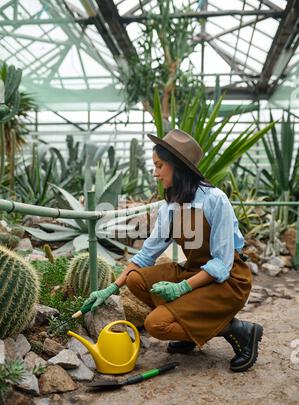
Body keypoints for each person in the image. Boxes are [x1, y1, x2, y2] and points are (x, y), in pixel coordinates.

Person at [83, 129, 263, 373]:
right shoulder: (171, 206)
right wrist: (111, 288)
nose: (155, 173)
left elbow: (221, 264)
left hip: (228, 281)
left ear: (177, 166)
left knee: (156, 325)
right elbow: (146, 255)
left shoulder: (215, 200)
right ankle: (191, 331)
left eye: (159, 166)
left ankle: (238, 330)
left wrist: (181, 288)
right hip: (194, 272)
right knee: (136, 279)